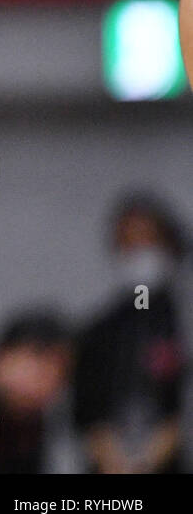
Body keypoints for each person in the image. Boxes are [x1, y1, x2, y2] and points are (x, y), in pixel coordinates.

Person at [73, 194, 186, 473]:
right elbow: (85, 410)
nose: (138, 253)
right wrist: (112, 458)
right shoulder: (100, 330)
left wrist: (160, 448)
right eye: (128, 244)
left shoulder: (182, 322)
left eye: (147, 241)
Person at [0, 312, 74, 473]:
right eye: (41, 368)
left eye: (61, 375)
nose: (49, 385)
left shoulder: (32, 427)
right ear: (2, 355)